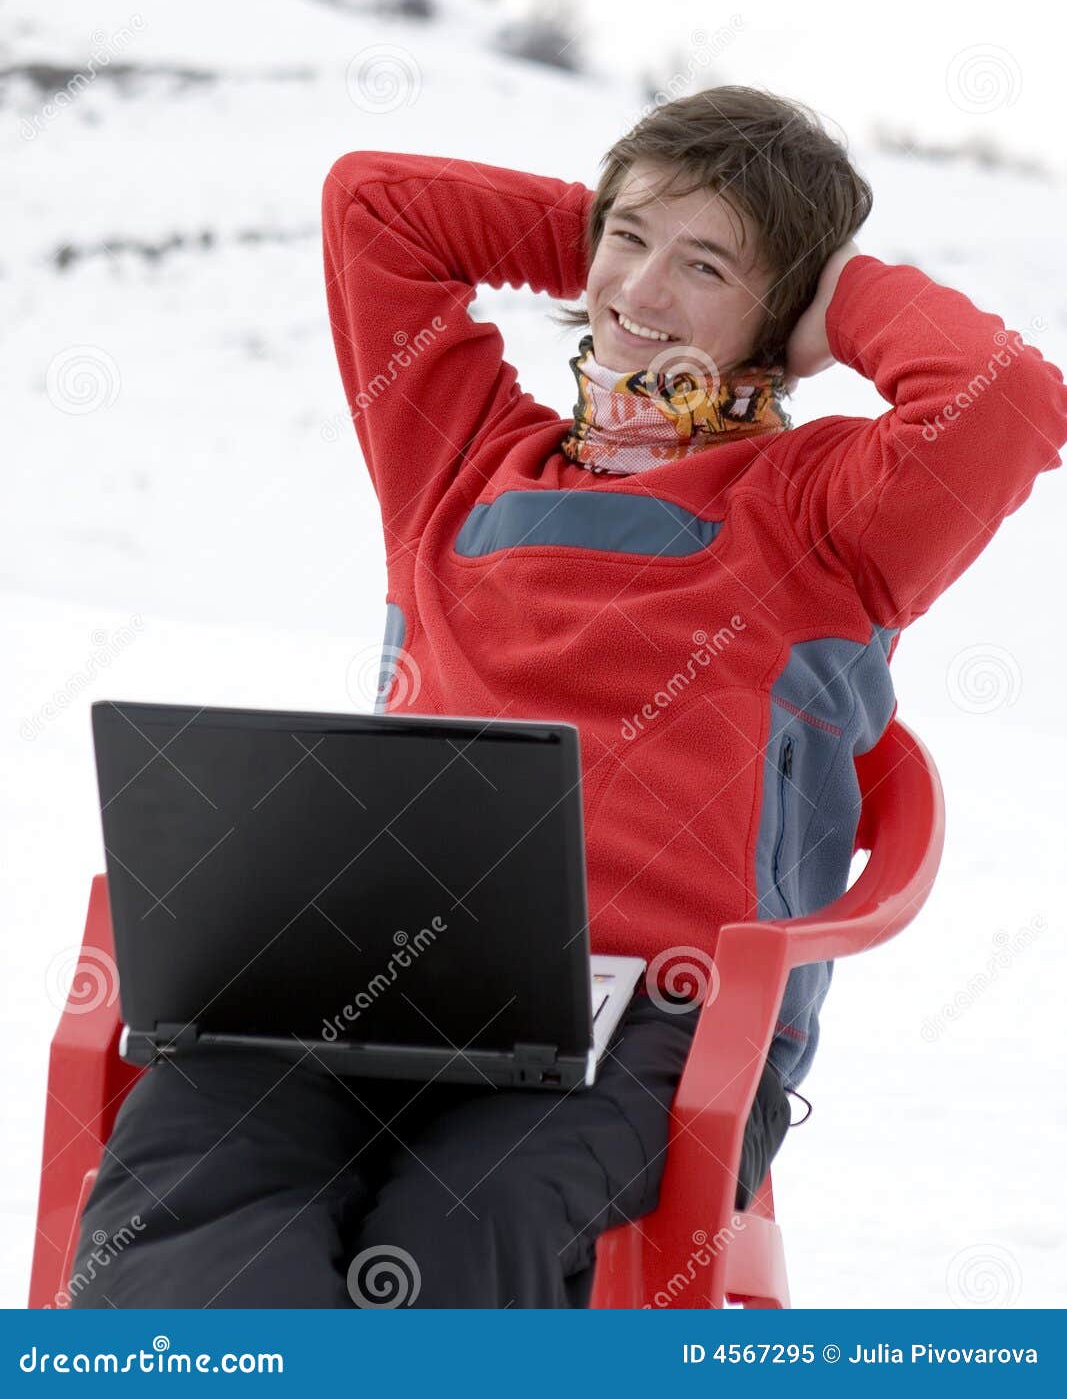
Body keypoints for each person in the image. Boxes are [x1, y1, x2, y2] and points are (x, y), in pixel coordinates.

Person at [69, 84, 1067, 1308]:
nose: (641, 295)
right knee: (192, 1184)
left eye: (704, 266)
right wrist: (621, 233)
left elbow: (1005, 399)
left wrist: (831, 288)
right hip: (377, 978)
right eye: (628, 241)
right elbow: (372, 206)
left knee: (457, 1229)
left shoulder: (821, 511)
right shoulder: (460, 455)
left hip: (652, 1020)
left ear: (782, 313)